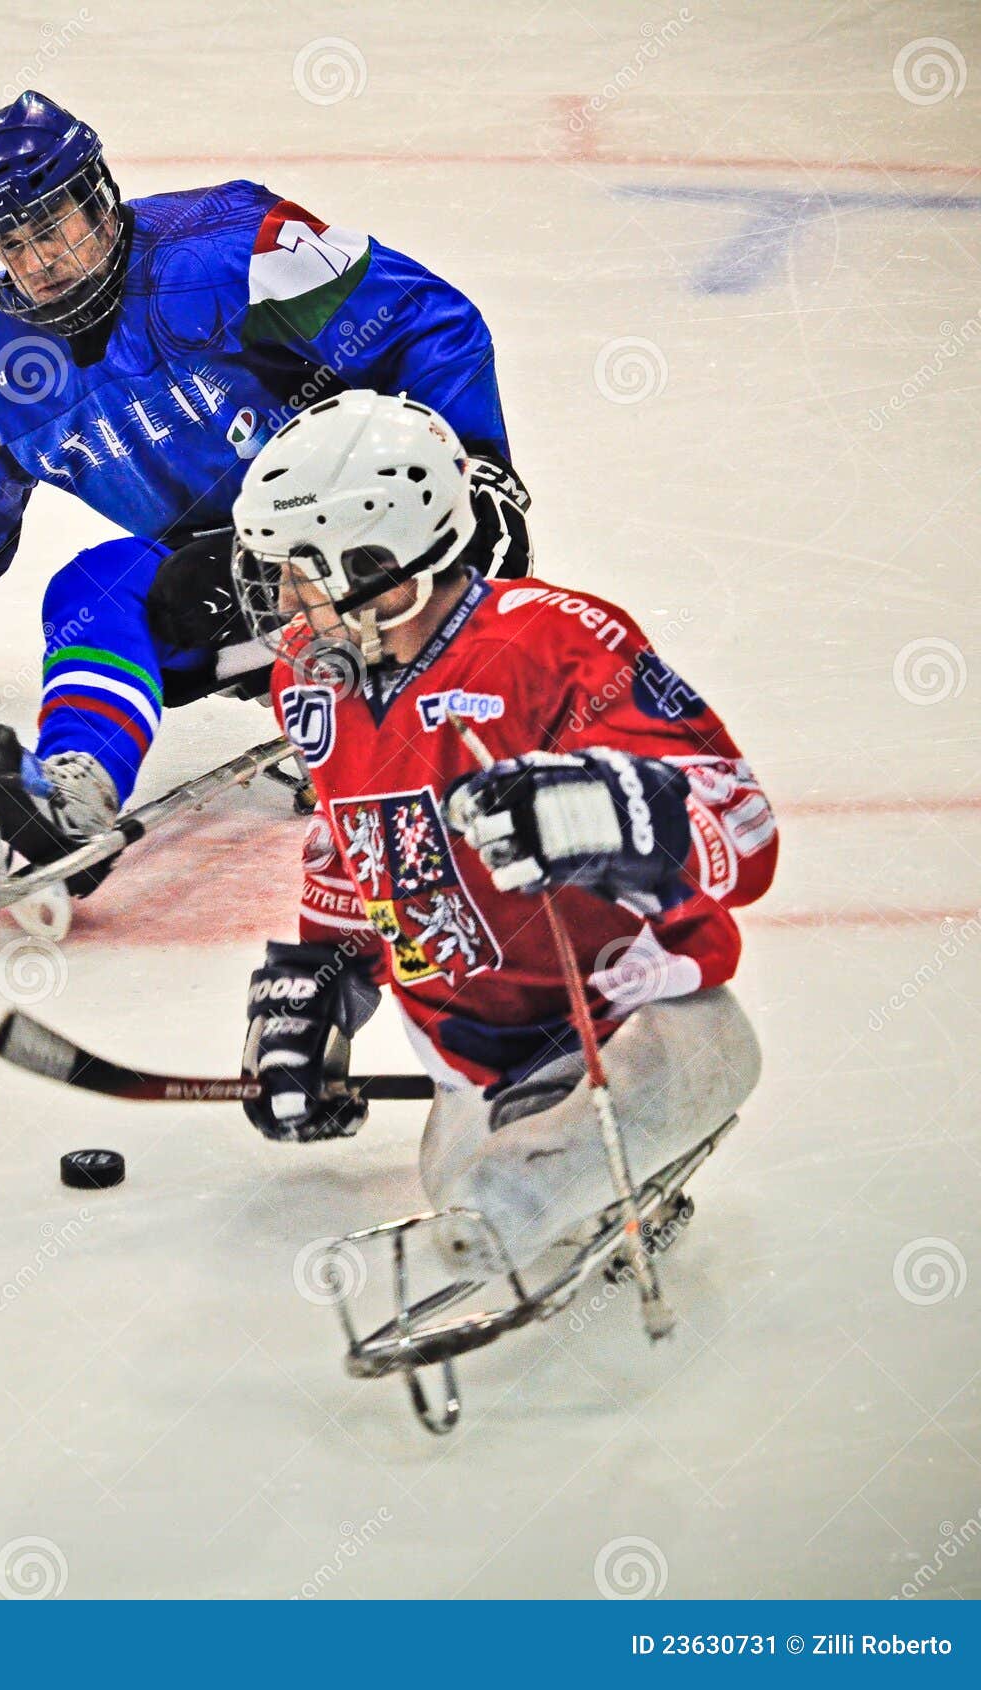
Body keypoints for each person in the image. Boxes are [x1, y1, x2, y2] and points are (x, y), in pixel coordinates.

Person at [0, 90, 532, 893]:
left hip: (366, 544)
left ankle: (395, 693)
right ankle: (73, 795)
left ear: (97, 200)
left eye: (51, 228)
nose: (35, 263)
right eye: (8, 244)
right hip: (238, 582)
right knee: (93, 588)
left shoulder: (235, 254)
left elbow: (430, 325)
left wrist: (476, 471)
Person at [231, 389, 778, 1276]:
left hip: (646, 1026)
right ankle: (546, 1148)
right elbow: (354, 844)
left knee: (504, 1209)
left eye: (303, 568)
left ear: (385, 566)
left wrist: (609, 811)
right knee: (473, 1194)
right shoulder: (310, 674)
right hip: (472, 1063)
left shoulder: (553, 644)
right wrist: (319, 987)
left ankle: (599, 1153)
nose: (285, 595)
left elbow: (744, 833)